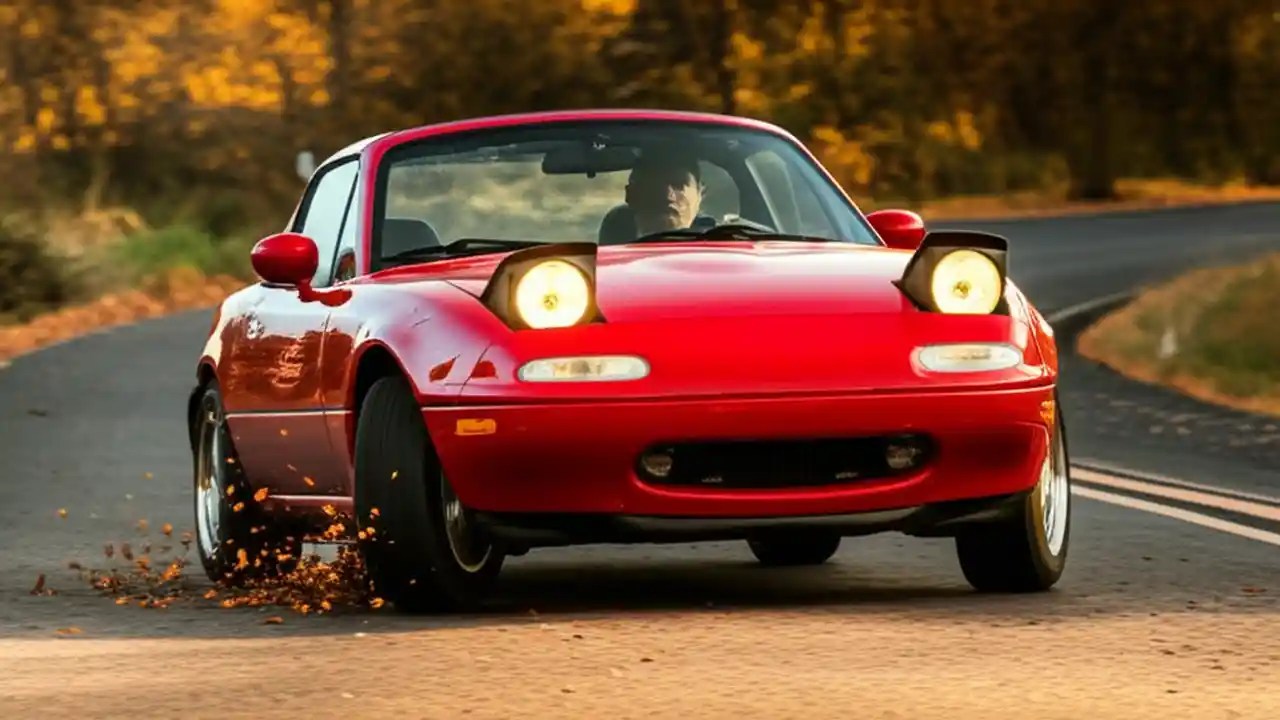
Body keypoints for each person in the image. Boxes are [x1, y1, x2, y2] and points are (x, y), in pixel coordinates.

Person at [624, 151, 705, 235]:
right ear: (631, 194)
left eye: (679, 184)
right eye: (654, 185)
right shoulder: (612, 246)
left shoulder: (716, 243)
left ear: (700, 195)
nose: (668, 196)